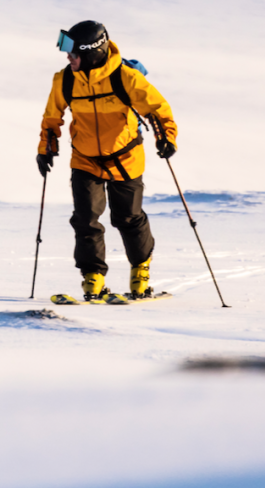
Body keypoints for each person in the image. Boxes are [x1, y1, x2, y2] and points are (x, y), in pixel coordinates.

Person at [36, 21, 177, 302]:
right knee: (85, 219)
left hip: (125, 157)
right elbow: (52, 117)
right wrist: (46, 148)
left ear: (90, 52)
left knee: (127, 218)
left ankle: (140, 273)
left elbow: (157, 108)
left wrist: (166, 137)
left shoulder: (125, 77)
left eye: (72, 52)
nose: (68, 57)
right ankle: (93, 279)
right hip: (85, 158)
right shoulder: (64, 80)